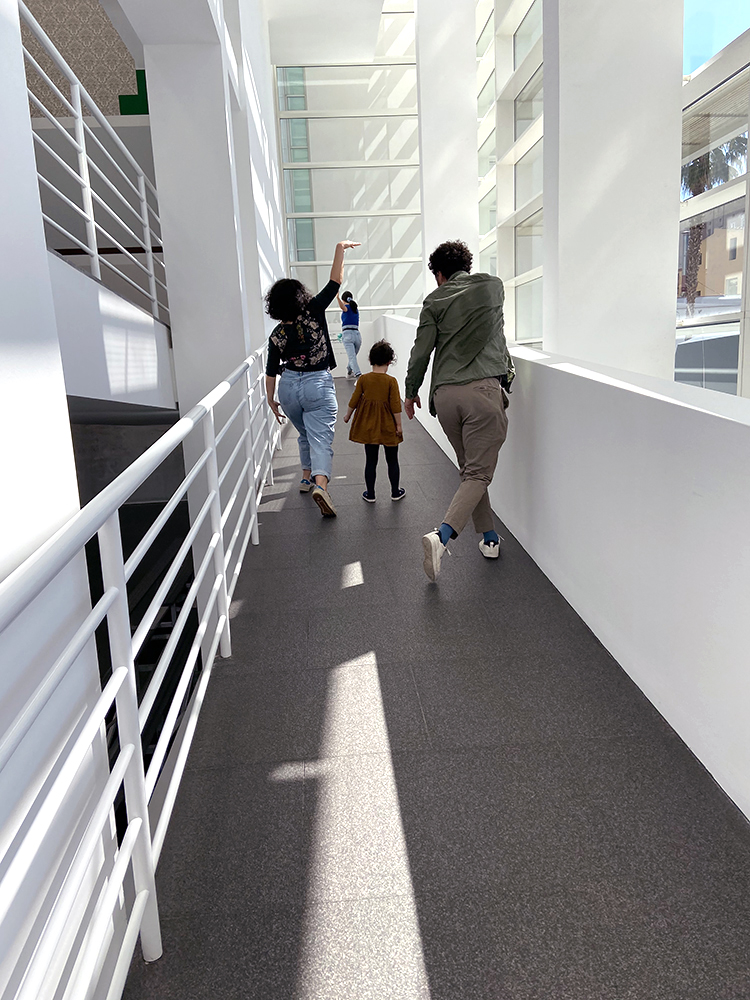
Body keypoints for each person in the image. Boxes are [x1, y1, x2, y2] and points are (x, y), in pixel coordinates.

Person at [403, 239, 515, 581]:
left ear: (439, 274)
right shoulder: (492, 287)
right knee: (479, 474)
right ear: (466, 265)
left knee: (470, 470)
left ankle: (490, 538)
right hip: (482, 391)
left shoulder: (434, 301)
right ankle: (442, 536)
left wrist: (410, 391)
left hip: (446, 397)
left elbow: (421, 352)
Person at [265, 239, 360, 518]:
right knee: (320, 438)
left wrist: (271, 400)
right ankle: (321, 486)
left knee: (304, 433)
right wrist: (339, 249)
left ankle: (306, 478)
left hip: (288, 388)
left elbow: (271, 371)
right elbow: (335, 281)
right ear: (299, 297)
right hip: (317, 383)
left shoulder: (276, 336)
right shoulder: (314, 309)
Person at [344, 340, 405, 503]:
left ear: (370, 360)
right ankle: (395, 492)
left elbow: (354, 399)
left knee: (370, 461)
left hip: (369, 427)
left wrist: (348, 415)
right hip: (388, 426)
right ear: (389, 361)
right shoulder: (391, 381)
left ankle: (370, 493)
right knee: (392, 460)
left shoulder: (364, 379)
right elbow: (395, 406)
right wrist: (398, 425)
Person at [337, 289, 362, 379]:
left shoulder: (346, 307)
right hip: (357, 334)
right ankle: (349, 369)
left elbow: (342, 307)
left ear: (344, 300)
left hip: (347, 334)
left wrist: (337, 298)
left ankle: (358, 375)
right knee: (353, 356)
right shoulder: (355, 308)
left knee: (352, 357)